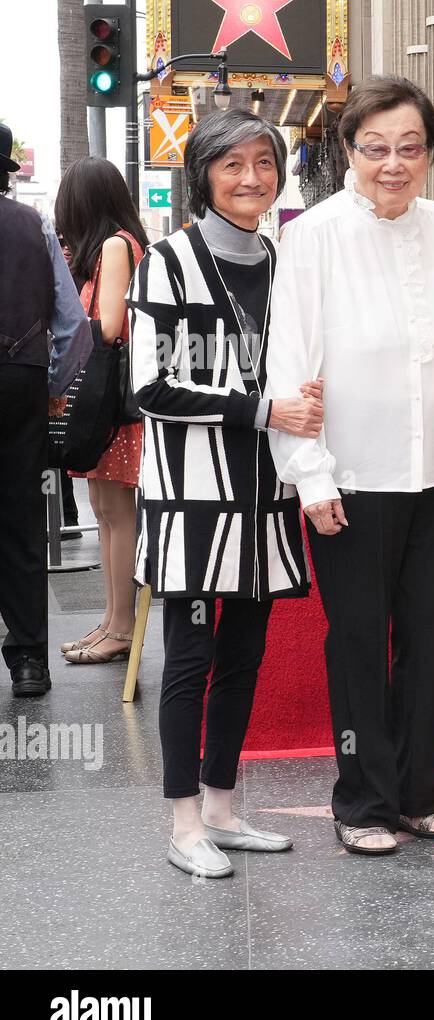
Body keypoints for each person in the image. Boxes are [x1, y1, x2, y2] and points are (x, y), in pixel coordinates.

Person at [265, 76, 434, 856]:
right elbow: (290, 364)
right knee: (359, 639)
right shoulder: (312, 236)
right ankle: (362, 797)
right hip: (350, 479)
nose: (393, 163)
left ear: (430, 152)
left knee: (428, 636)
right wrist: (311, 474)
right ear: (347, 149)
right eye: (375, 148)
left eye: (410, 148)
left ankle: (422, 793)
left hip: (431, 475)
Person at [130, 108, 319, 878]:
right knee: (190, 658)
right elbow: (150, 386)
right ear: (203, 173)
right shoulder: (167, 262)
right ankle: (182, 825)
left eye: (264, 164)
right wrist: (261, 408)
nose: (251, 179)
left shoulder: (285, 262)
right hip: (191, 498)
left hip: (265, 490)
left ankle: (222, 807)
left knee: (245, 657)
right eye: (233, 165)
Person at [0, 121, 92, 698]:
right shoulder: (31, 224)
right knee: (20, 523)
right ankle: (30, 659)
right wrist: (47, 379)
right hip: (18, 381)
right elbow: (74, 325)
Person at [54, 157, 149, 664]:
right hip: (108, 400)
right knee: (106, 512)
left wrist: (67, 341)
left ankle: (121, 627)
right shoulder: (117, 245)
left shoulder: (115, 246)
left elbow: (109, 326)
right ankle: (111, 621)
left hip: (112, 402)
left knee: (115, 513)